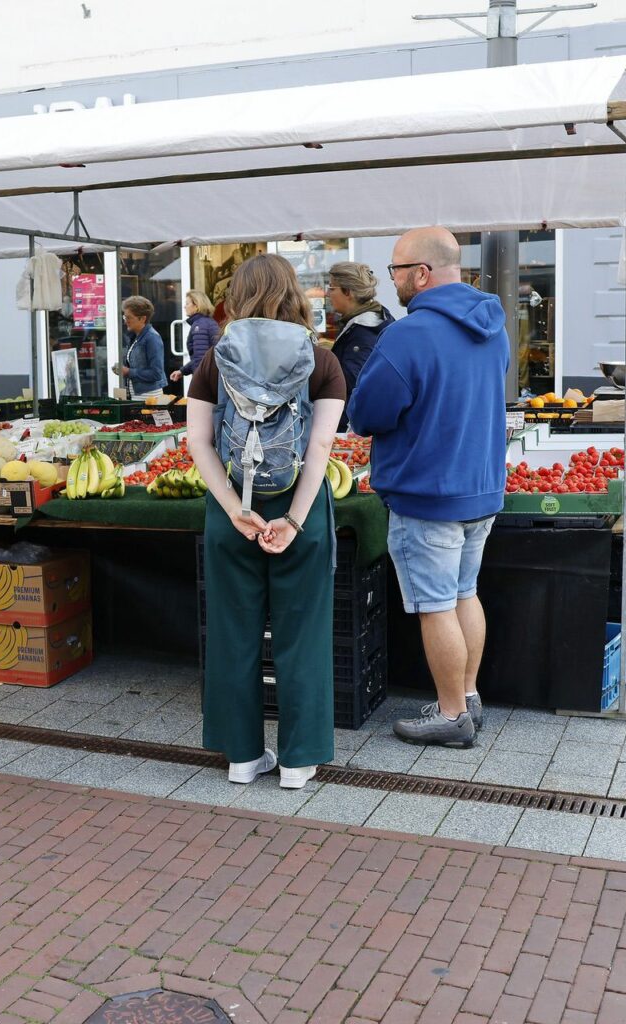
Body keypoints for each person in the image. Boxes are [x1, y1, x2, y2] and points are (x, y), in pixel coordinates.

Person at [187, 254, 345, 790]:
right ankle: (299, 762)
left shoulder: (214, 358)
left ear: (239, 294)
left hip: (232, 510)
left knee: (234, 632)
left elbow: (197, 444)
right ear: (294, 293)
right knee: (302, 633)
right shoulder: (321, 360)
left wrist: (235, 509)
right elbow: (321, 445)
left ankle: (240, 757)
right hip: (298, 509)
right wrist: (295, 521)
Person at [347, 228, 508, 748]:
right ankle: (468, 697)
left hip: (427, 493)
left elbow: (367, 414)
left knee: (438, 604)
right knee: (465, 593)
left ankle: (452, 714)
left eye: (395, 269)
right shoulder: (494, 326)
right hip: (479, 488)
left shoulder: (409, 334)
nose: (390, 279)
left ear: (422, 273)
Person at [327, 261, 394, 428]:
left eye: (331, 288)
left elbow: (350, 385)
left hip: (351, 426)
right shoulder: (377, 318)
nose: (328, 294)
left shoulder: (363, 332)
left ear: (347, 291)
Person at [116, 296, 166, 399]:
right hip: (137, 394)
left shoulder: (152, 338)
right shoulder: (134, 336)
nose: (125, 321)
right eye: (124, 317)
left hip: (149, 397)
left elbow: (156, 373)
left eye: (129, 317)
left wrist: (128, 372)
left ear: (143, 318)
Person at [170, 289, 221, 386]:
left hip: (206, 380)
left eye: (187, 303)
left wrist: (198, 383)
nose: (184, 306)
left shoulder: (199, 325)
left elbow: (200, 359)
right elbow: (201, 357)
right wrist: (182, 371)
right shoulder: (208, 322)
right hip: (213, 377)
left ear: (197, 306)